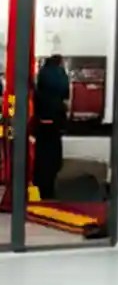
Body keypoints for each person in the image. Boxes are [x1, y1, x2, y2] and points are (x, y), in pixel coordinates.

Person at [33, 55, 71, 200]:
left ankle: (41, 187)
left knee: (42, 154)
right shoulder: (61, 75)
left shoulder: (42, 74)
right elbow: (66, 93)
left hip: (42, 119)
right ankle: (50, 187)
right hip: (56, 119)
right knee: (54, 154)